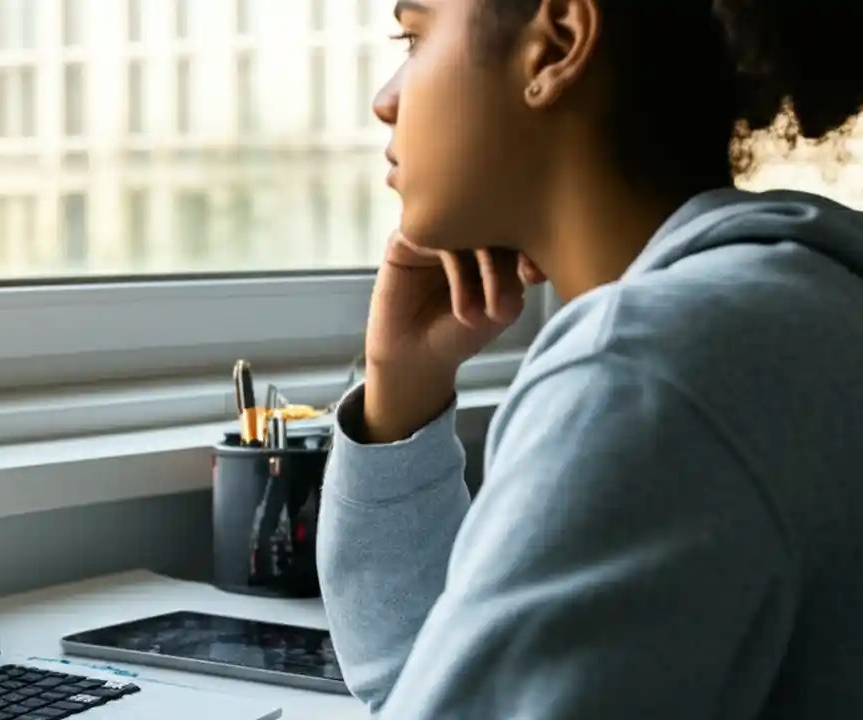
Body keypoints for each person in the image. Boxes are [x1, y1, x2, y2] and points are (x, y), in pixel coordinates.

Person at [319, 0, 863, 718]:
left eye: (415, 37)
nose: (385, 99)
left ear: (557, 44)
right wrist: (400, 391)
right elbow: (446, 686)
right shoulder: (801, 302)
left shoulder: (646, 372)